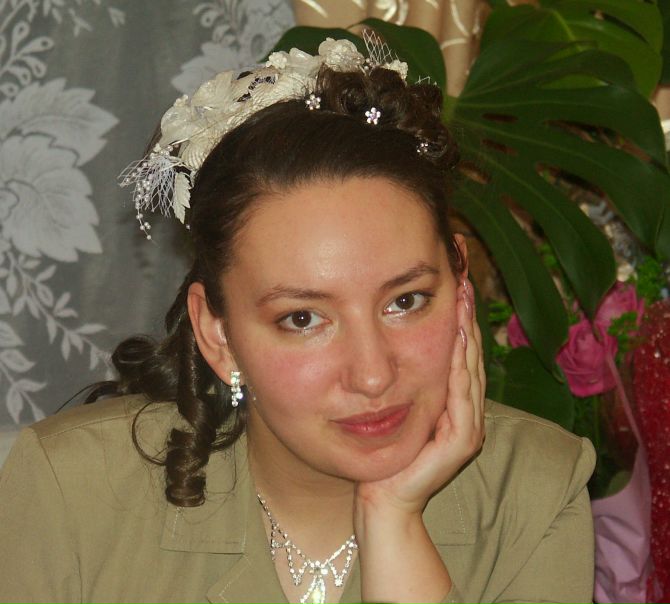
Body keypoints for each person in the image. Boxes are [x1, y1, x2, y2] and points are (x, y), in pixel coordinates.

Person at [0, 36, 595, 603]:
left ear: (460, 285)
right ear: (218, 335)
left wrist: (392, 516)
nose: (372, 375)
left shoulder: (536, 488)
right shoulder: (73, 493)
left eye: (405, 301)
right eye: (304, 318)